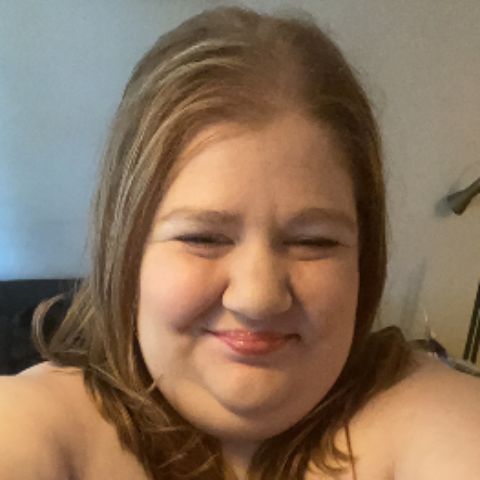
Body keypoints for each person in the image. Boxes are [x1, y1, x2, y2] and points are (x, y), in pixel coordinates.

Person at [1, 6, 479, 480]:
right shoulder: (43, 420)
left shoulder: (428, 411)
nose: (258, 297)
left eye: (313, 242)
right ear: (125, 253)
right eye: (203, 237)